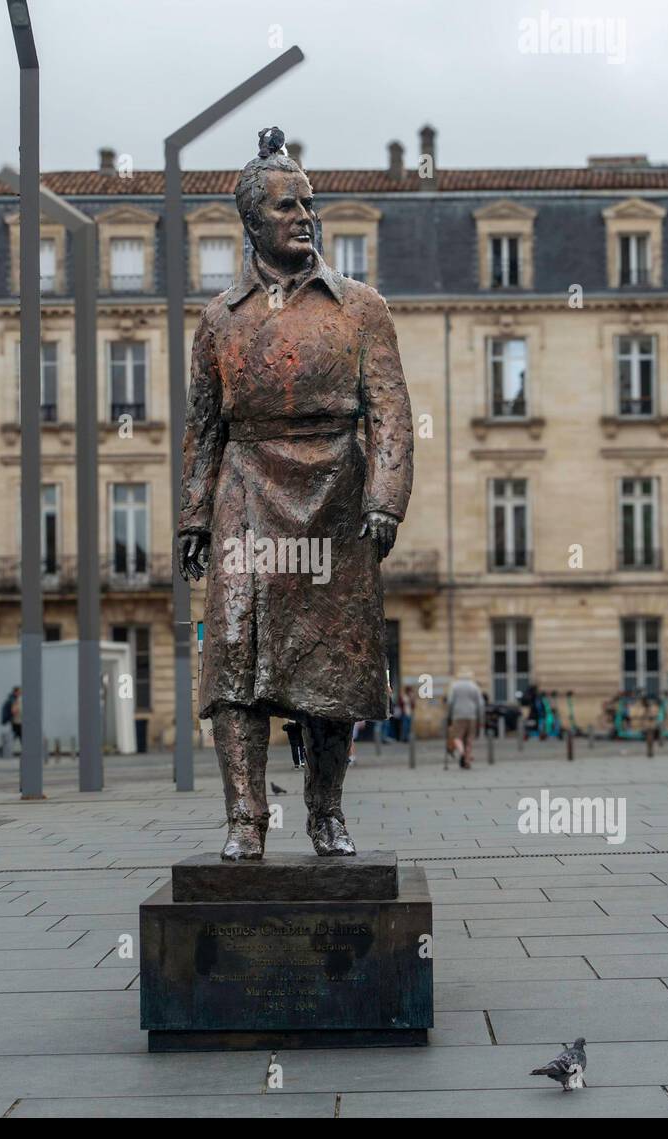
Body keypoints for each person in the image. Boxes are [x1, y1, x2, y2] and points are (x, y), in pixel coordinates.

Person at [178, 127, 414, 860]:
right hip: (246, 490)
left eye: (308, 204)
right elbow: (203, 428)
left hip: (337, 494)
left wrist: (384, 497)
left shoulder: (360, 308)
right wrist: (192, 516)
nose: (305, 217)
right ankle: (245, 820)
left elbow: (392, 410)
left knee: (333, 667)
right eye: (287, 207)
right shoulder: (219, 320)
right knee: (234, 661)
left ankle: (327, 812)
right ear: (251, 224)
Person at [446, 668, 484, 770]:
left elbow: (450, 702)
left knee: (457, 737)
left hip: (457, 715)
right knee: (469, 739)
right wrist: (480, 717)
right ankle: (467, 761)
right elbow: (480, 703)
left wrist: (449, 715)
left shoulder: (454, 686)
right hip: (472, 715)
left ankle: (462, 753)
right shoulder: (474, 686)